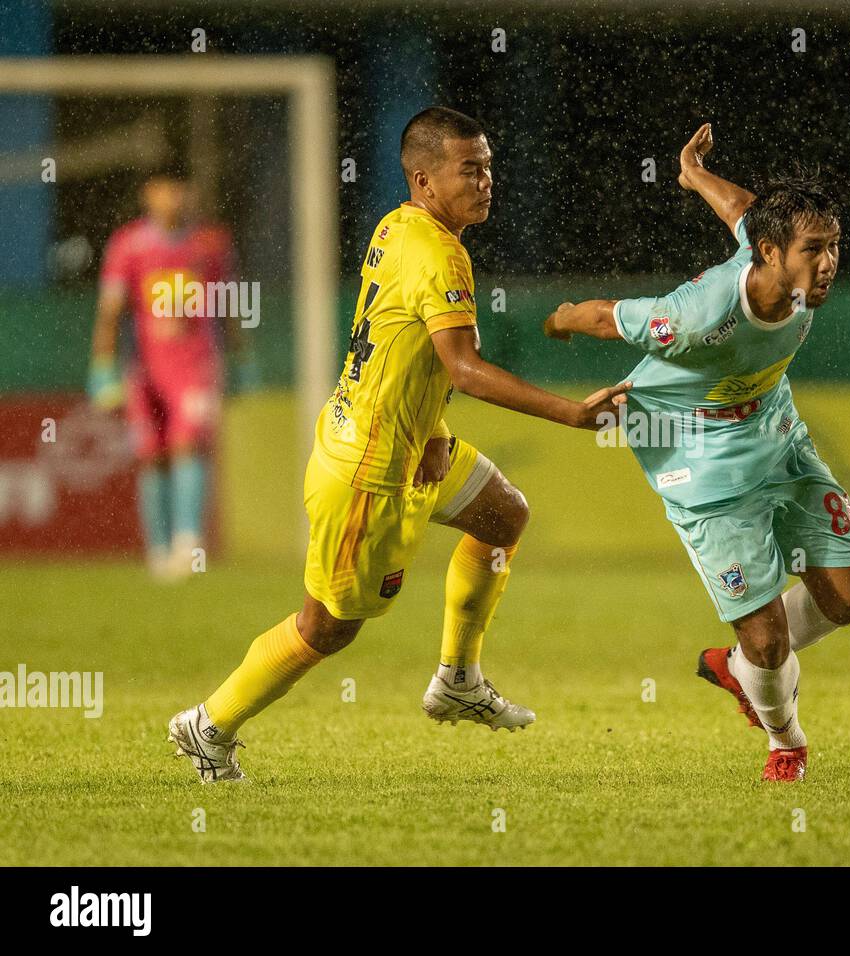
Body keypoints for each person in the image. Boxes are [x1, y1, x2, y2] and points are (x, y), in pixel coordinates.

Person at [167, 107, 629, 782]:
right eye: (470, 169)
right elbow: (464, 367)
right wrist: (571, 413)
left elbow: (402, 347)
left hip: (412, 445)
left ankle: (458, 679)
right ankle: (209, 725)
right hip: (370, 472)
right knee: (327, 627)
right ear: (424, 177)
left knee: (503, 515)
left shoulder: (398, 224)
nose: (486, 181)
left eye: (490, 166)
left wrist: (437, 428)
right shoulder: (439, 251)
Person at [543, 123, 850, 782]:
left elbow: (744, 211)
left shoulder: (788, 264)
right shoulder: (702, 312)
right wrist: (561, 319)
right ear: (773, 254)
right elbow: (611, 318)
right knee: (769, 638)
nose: (829, 262)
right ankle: (787, 739)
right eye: (815, 249)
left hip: (779, 437)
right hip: (698, 457)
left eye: (835, 247)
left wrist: (694, 174)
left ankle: (736, 667)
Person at [88, 171, 254, 580]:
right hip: (144, 367)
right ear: (148, 194)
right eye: (163, 189)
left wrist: (242, 359)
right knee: (151, 456)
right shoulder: (128, 244)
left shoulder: (211, 244)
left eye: (180, 189)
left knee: (187, 446)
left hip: (196, 365)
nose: (172, 198)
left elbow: (229, 303)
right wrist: (102, 365)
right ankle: (158, 551)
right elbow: (111, 309)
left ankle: (187, 543)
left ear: (190, 193)